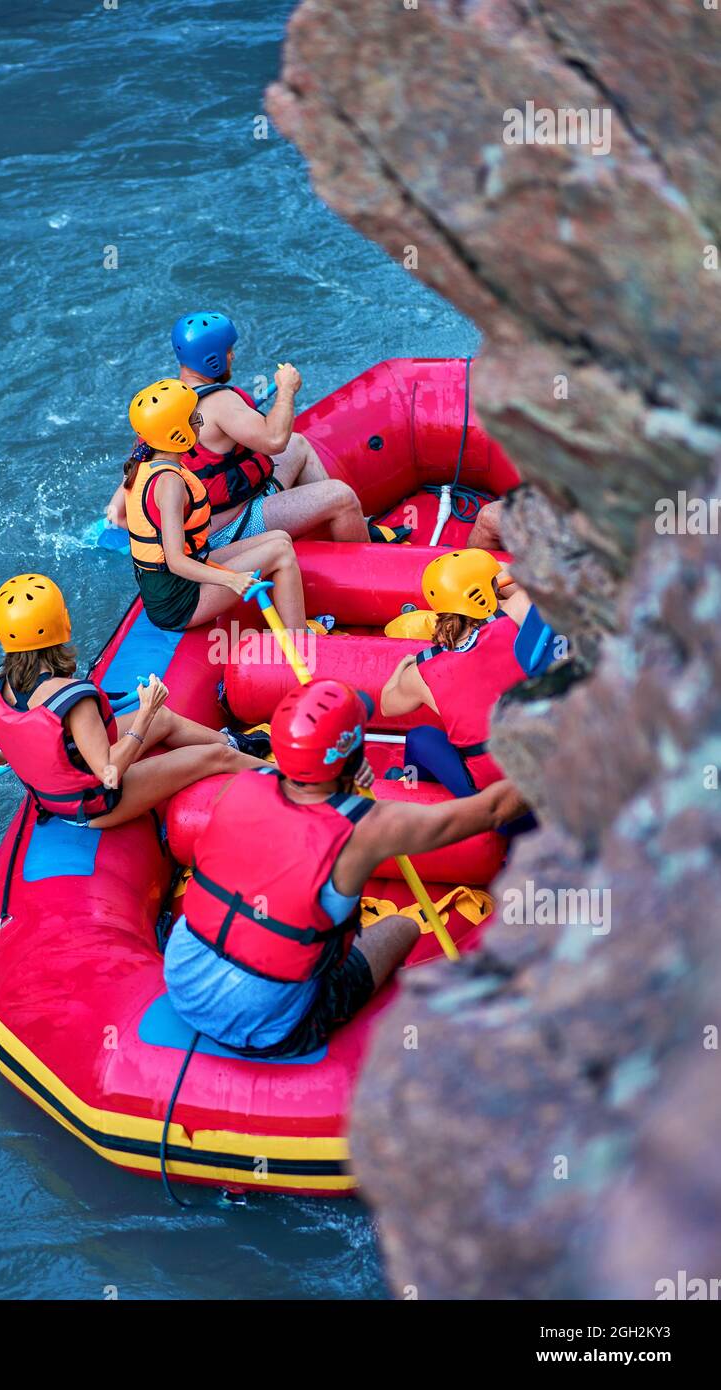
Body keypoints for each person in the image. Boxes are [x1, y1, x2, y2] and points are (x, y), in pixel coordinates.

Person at [163, 678, 526, 1057]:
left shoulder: (238, 785)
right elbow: (492, 810)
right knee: (402, 927)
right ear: (352, 755)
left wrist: (345, 785)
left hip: (183, 976)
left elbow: (296, 809)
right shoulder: (367, 830)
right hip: (267, 1024)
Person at [0, 573, 270, 829]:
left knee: (166, 719)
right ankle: (294, 785)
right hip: (96, 805)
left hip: (62, 786)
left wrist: (26, 754)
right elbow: (109, 774)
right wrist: (145, 713)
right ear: (62, 622)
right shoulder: (72, 699)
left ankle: (237, 743)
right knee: (217, 757)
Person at [104, 313, 409, 547]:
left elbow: (141, 462)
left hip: (207, 520)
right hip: (230, 528)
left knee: (298, 444)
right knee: (340, 495)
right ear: (211, 359)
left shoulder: (165, 402)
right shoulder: (222, 402)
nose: (232, 356)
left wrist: (117, 509)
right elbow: (275, 439)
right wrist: (287, 389)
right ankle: (362, 564)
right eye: (228, 350)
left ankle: (344, 526)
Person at [122, 378, 307, 633]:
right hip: (178, 600)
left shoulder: (145, 462)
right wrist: (233, 579)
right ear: (178, 433)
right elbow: (175, 560)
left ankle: (292, 626)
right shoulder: (169, 483)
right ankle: (302, 641)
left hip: (180, 578)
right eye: (195, 419)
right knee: (281, 553)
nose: (200, 422)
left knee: (279, 538)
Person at [380, 549, 532, 797]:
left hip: (501, 808)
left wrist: (403, 667)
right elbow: (532, 574)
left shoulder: (419, 672)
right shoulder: (515, 615)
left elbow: (387, 706)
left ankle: (412, 787)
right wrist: (496, 582)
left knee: (420, 738)